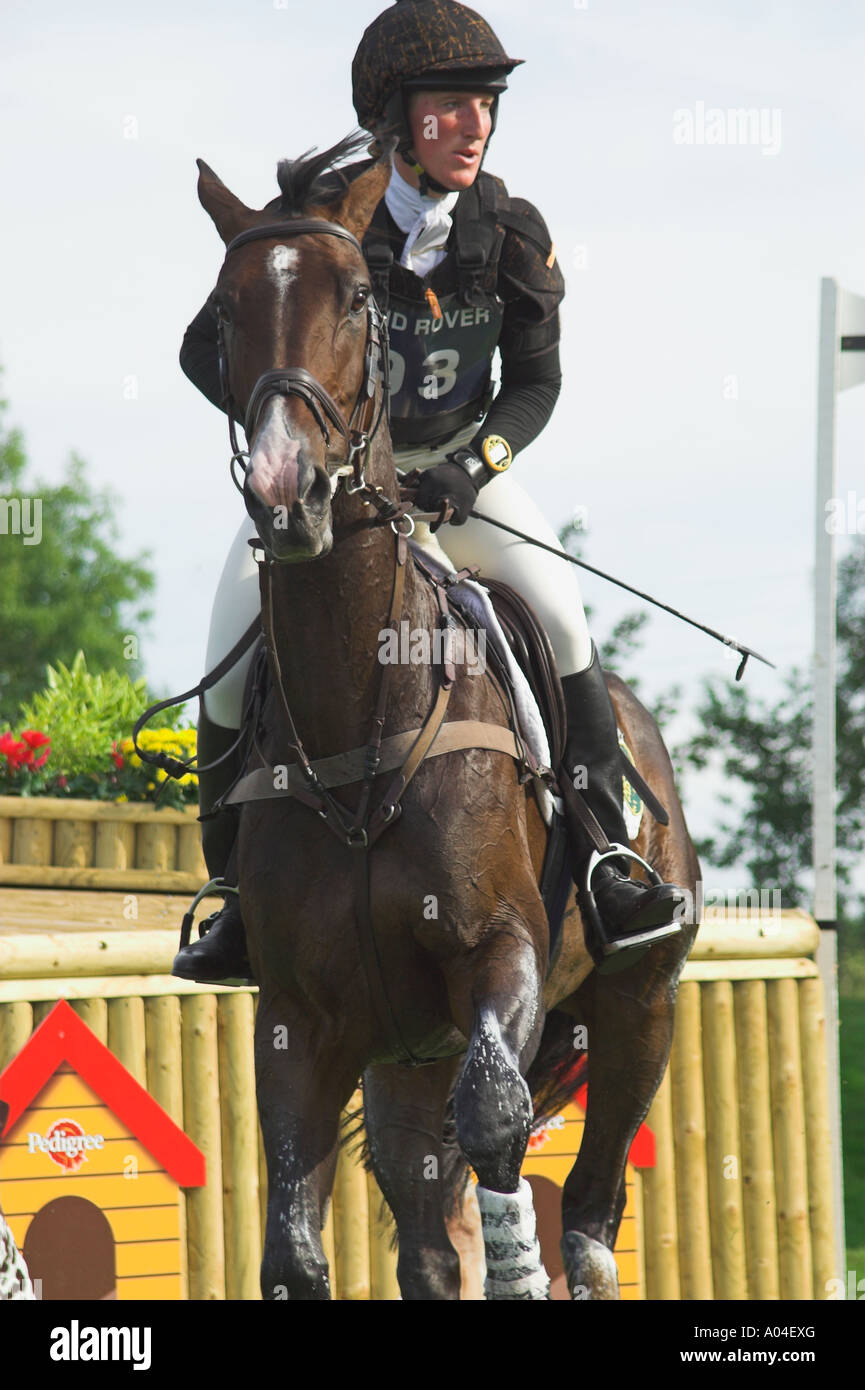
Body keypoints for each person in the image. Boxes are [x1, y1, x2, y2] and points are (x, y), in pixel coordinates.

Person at [171, 0, 684, 985]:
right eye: (452, 106)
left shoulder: (509, 231)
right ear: (394, 119)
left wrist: (472, 467)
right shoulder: (318, 221)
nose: (476, 123)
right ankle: (235, 894)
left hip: (460, 481)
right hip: (334, 498)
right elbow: (210, 346)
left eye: (485, 104)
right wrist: (297, 436)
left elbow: (536, 385)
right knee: (228, 646)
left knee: (565, 622)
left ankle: (610, 859)